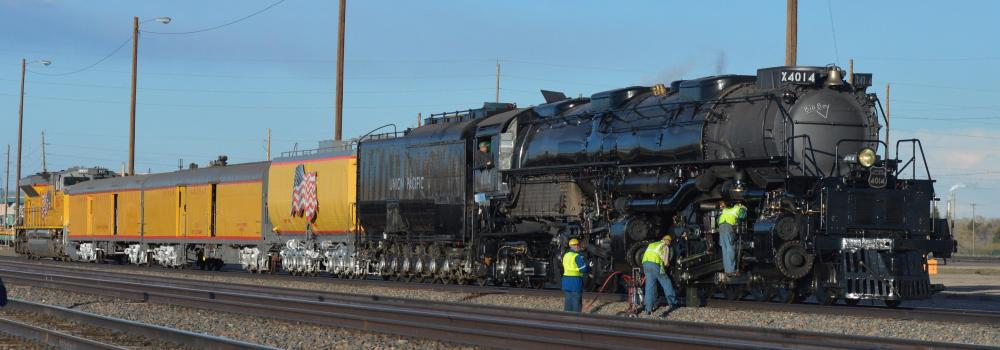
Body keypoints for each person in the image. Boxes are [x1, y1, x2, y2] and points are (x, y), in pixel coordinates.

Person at [642, 235, 679, 315]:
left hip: (646, 264)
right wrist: (669, 264)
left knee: (649, 286)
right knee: (667, 282)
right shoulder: (665, 247)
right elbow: (665, 263)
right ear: (668, 241)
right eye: (669, 242)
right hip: (655, 265)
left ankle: (648, 308)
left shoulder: (652, 244)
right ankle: (673, 303)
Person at [717, 201, 747, 277]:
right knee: (731, 249)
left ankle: (727, 271)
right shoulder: (738, 208)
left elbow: (718, 220)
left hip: (721, 227)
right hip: (728, 227)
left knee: (725, 249)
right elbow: (743, 216)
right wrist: (744, 209)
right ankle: (732, 271)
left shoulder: (725, 210)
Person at [561, 238, 590, 312]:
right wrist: (589, 267)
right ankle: (576, 318)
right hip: (575, 281)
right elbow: (583, 269)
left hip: (566, 281)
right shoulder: (577, 256)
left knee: (568, 300)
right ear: (575, 246)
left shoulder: (565, 255)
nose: (579, 247)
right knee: (576, 301)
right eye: (578, 245)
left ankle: (567, 318)